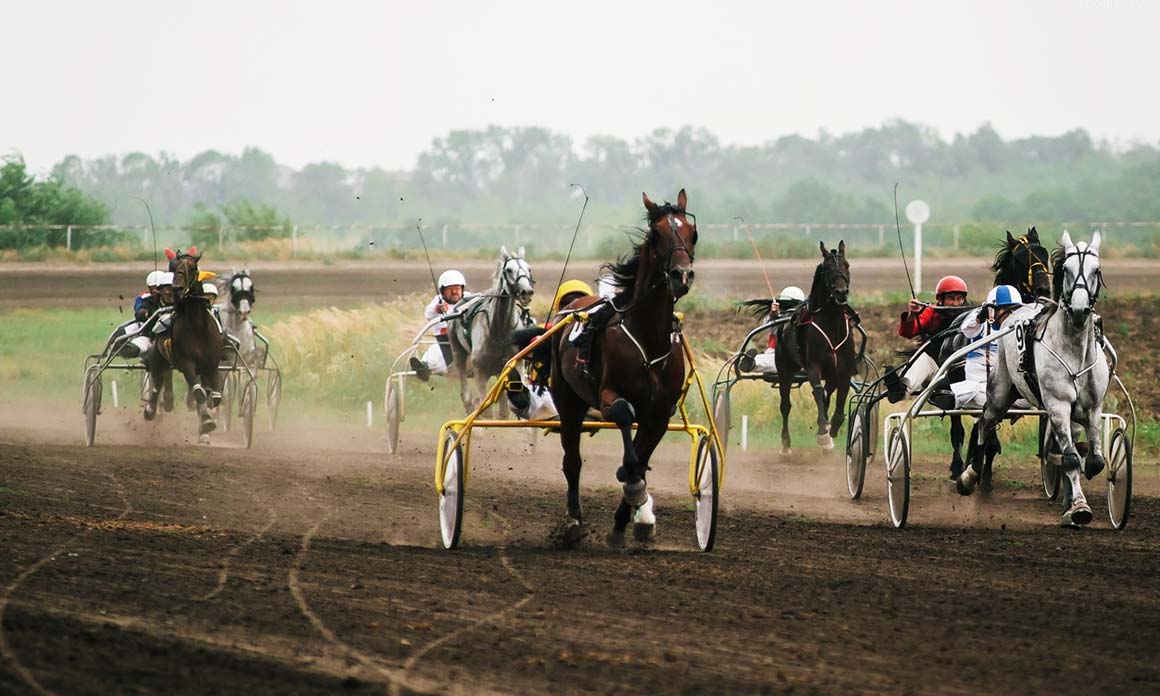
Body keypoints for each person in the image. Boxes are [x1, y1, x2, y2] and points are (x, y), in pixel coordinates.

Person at [505, 280, 594, 420]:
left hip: (586, 393)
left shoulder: (598, 336)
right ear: (559, 309)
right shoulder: (544, 332)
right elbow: (513, 346)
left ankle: (590, 411)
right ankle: (521, 399)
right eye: (568, 304)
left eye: (580, 303)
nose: (575, 309)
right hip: (546, 393)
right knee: (533, 399)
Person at [883, 275, 971, 403]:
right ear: (940, 299)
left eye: (960, 299)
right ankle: (901, 390)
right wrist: (912, 315)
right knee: (924, 358)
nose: (956, 303)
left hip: (966, 373)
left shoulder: (972, 316)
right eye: (951, 298)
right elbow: (908, 332)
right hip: (938, 372)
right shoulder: (931, 312)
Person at [948, 284, 1025, 410]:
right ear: (992, 310)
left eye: (1014, 309)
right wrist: (980, 317)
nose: (1011, 314)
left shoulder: (1020, 329)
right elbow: (966, 329)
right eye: (1005, 309)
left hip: (1013, 393)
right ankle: (949, 396)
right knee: (973, 390)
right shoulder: (982, 326)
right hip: (983, 389)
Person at [410, 269, 469, 381]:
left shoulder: (469, 299)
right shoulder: (438, 301)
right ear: (442, 291)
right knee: (434, 352)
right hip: (444, 341)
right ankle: (423, 368)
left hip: (466, 339)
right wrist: (437, 308)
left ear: (462, 289)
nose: (454, 292)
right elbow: (428, 313)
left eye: (457, 289)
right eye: (450, 290)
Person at [743, 286, 806, 373]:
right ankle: (749, 363)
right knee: (764, 360)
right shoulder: (776, 317)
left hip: (801, 358)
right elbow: (769, 326)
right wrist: (773, 316)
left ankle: (752, 364)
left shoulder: (806, 319)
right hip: (776, 355)